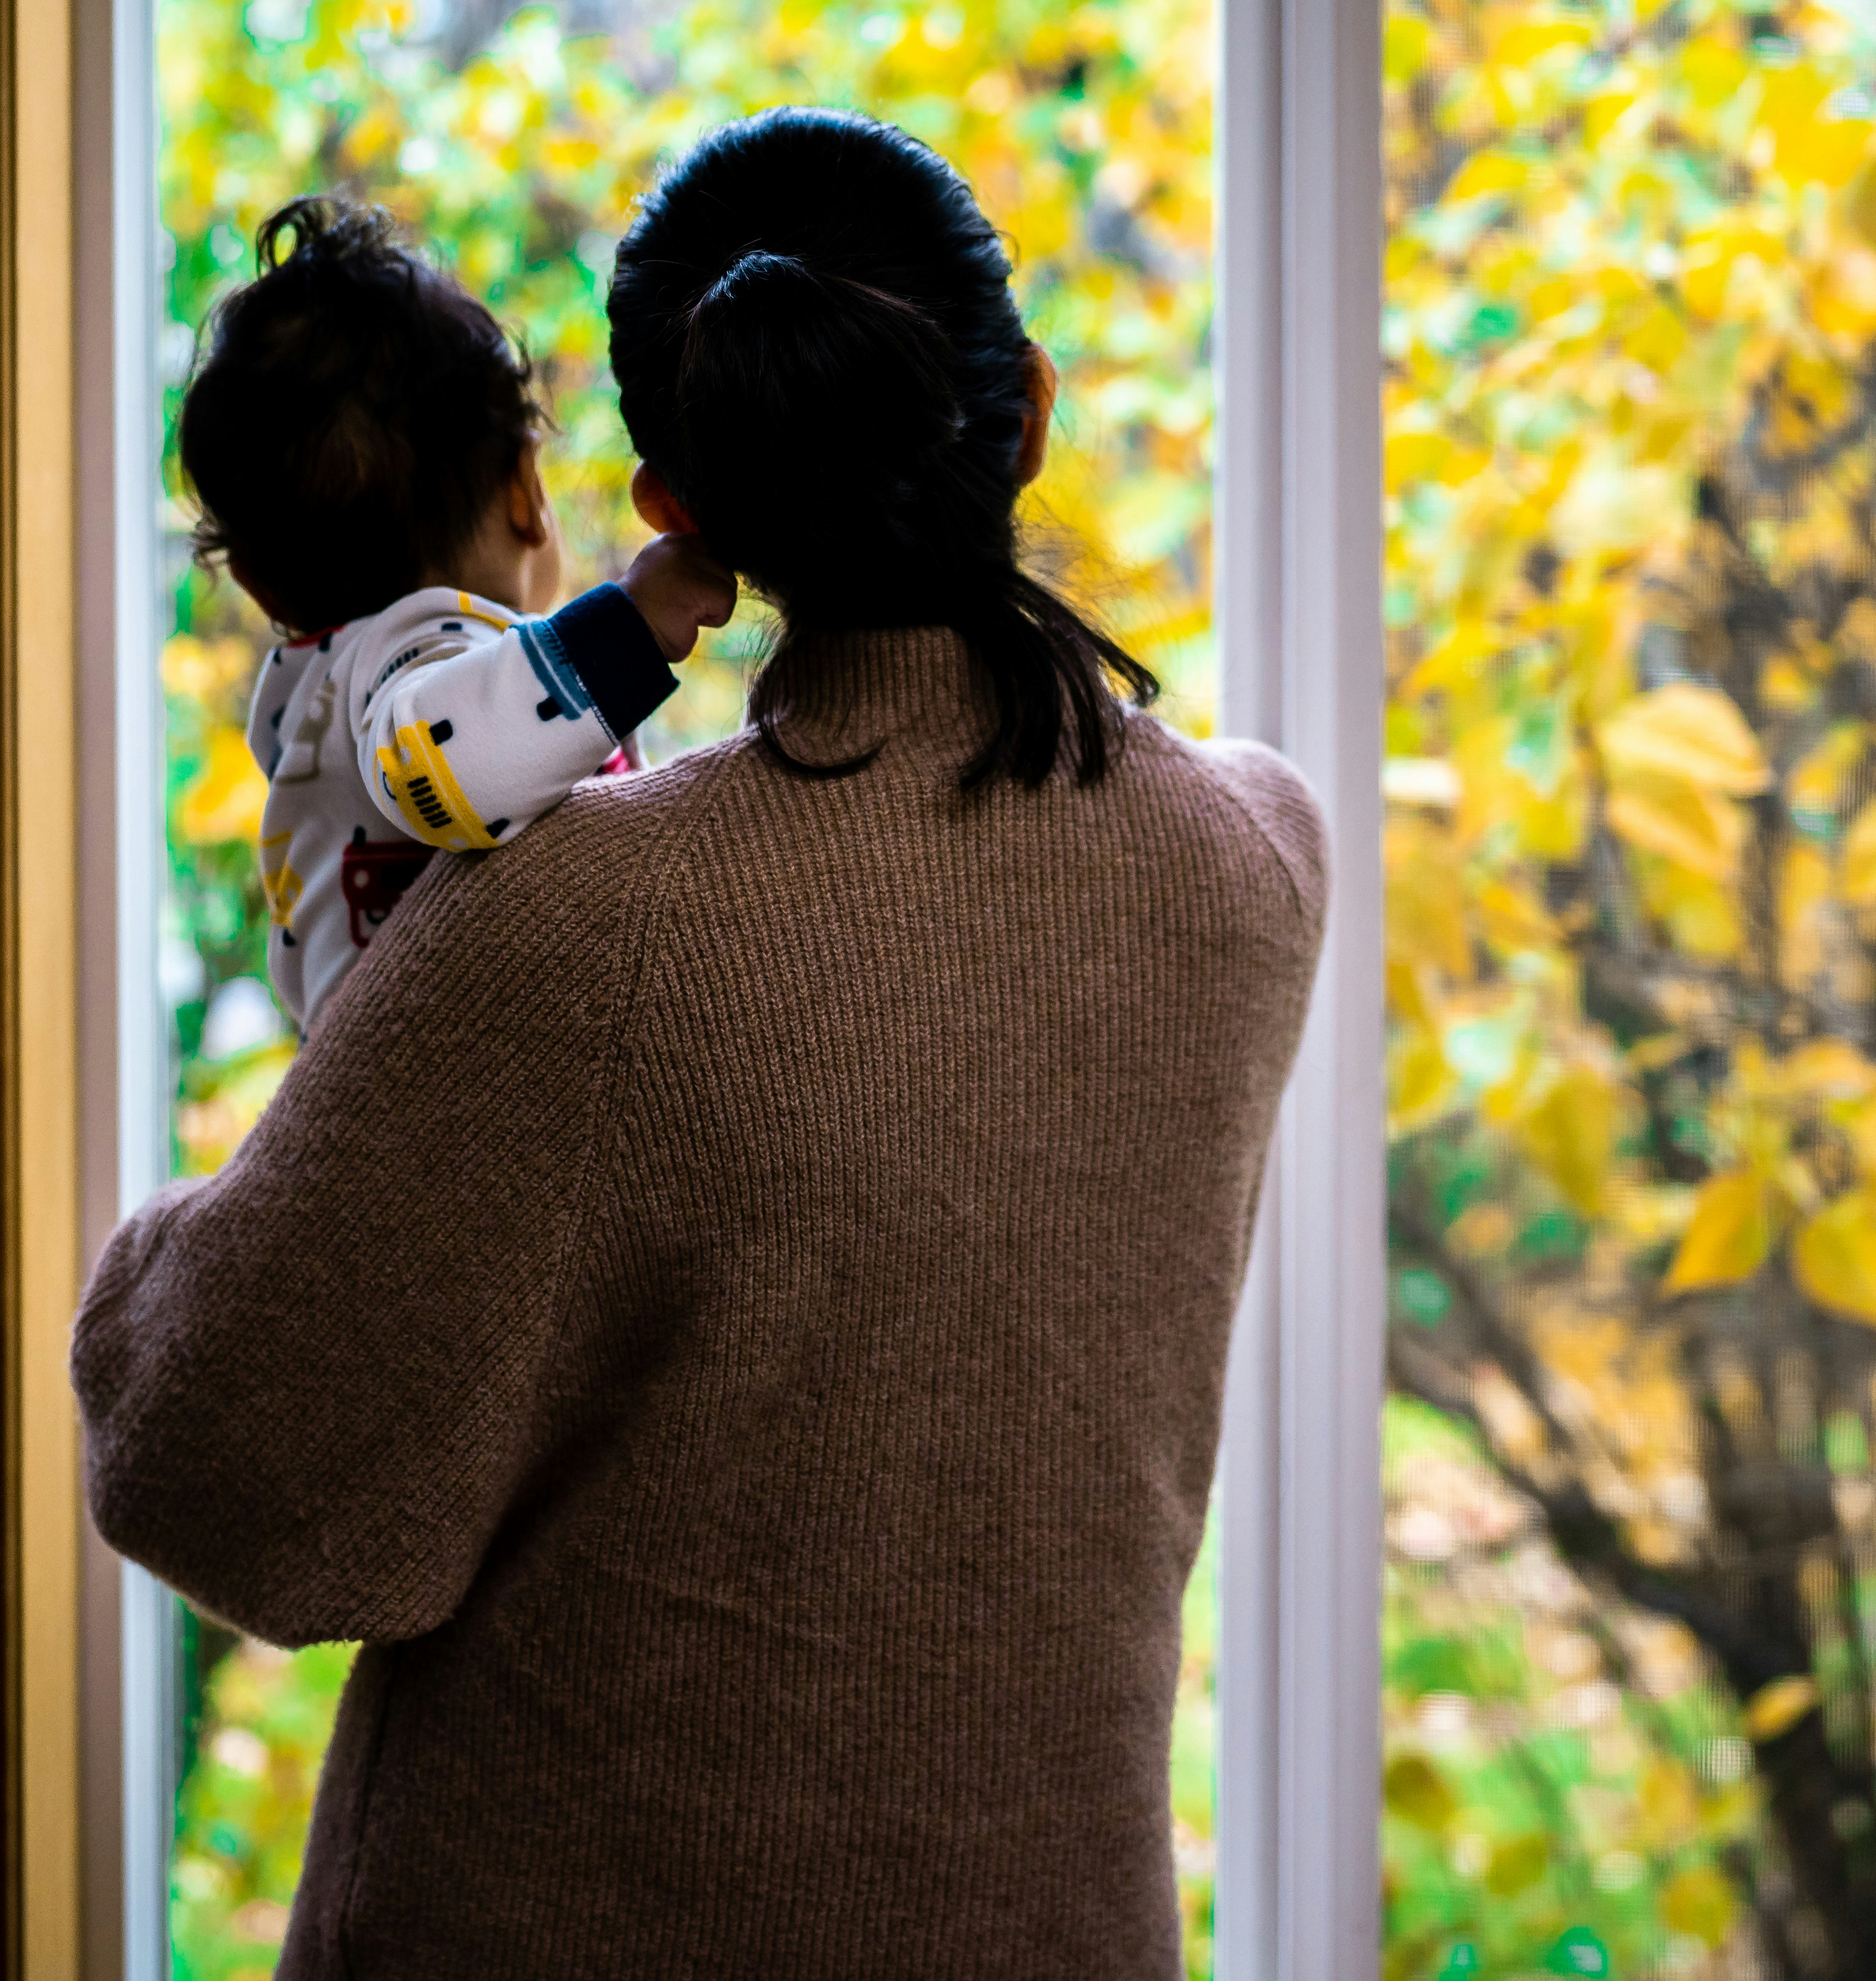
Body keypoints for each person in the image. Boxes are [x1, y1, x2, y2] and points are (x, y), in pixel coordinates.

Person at [75, 108, 1325, 1979]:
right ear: (1033, 407)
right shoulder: (1254, 864)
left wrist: (225, 1202)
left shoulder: (585, 920)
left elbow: (232, 1477)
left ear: (673, 505)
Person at [173, 196, 735, 1026]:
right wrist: (632, 623)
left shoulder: (330, 696)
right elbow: (445, 762)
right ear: (524, 492)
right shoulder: (426, 645)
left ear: (256, 583)